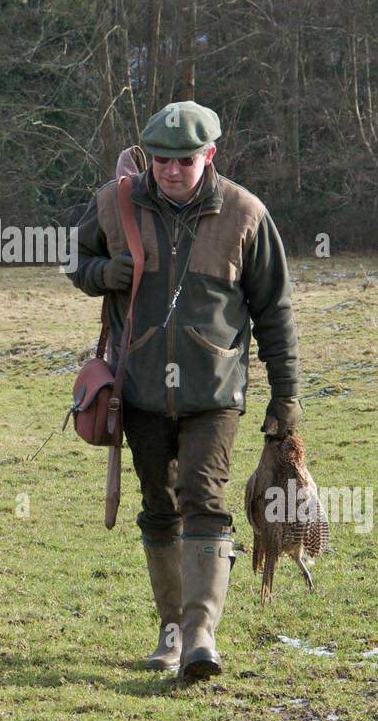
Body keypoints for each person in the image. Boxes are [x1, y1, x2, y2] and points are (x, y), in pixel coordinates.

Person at [68, 101, 301, 679]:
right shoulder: (114, 203)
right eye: (163, 160)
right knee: (159, 506)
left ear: (210, 155)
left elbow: (275, 312)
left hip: (214, 392)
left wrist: (286, 396)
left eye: (186, 160)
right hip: (138, 388)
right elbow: (76, 259)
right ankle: (169, 631)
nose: (172, 171)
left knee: (204, 497)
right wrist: (103, 275)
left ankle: (200, 635)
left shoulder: (246, 214)